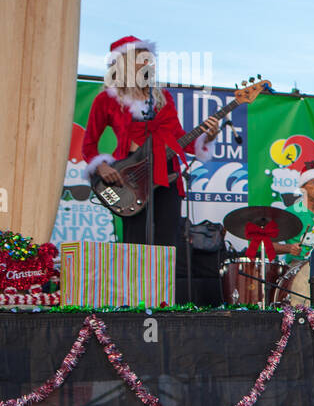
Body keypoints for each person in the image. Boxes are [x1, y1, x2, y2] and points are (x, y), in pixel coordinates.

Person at [82, 35, 219, 255]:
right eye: (141, 58)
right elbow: (88, 146)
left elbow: (179, 138)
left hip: (167, 176)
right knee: (135, 244)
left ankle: (164, 289)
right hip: (130, 178)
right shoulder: (107, 99)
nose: (148, 63)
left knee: (168, 245)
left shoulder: (162, 97)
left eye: (149, 58)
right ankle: (135, 290)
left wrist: (208, 138)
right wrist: (102, 167)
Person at [276, 163, 314, 259]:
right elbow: (269, 244)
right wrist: (288, 248)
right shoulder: (289, 213)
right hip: (296, 266)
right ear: (303, 188)